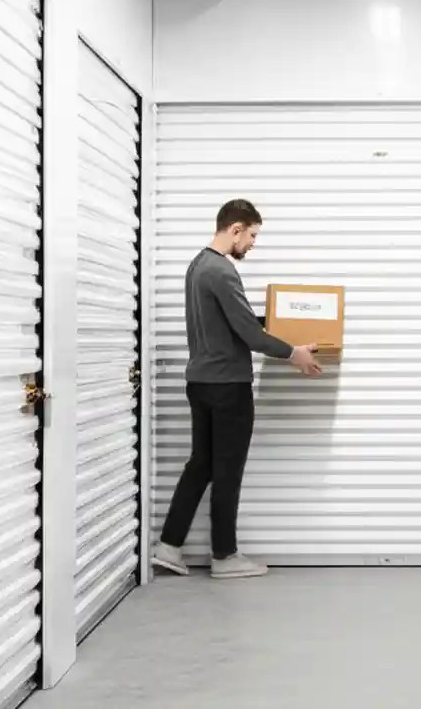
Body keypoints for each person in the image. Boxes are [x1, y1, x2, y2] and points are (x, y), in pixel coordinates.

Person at [151, 199, 322, 579]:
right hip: (228, 388)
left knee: (201, 465)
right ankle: (225, 557)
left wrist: (278, 323)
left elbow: (232, 321)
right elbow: (247, 332)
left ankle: (168, 546)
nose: (253, 244)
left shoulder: (197, 266)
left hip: (200, 382)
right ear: (236, 229)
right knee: (228, 470)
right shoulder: (223, 271)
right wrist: (293, 352)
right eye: (253, 236)